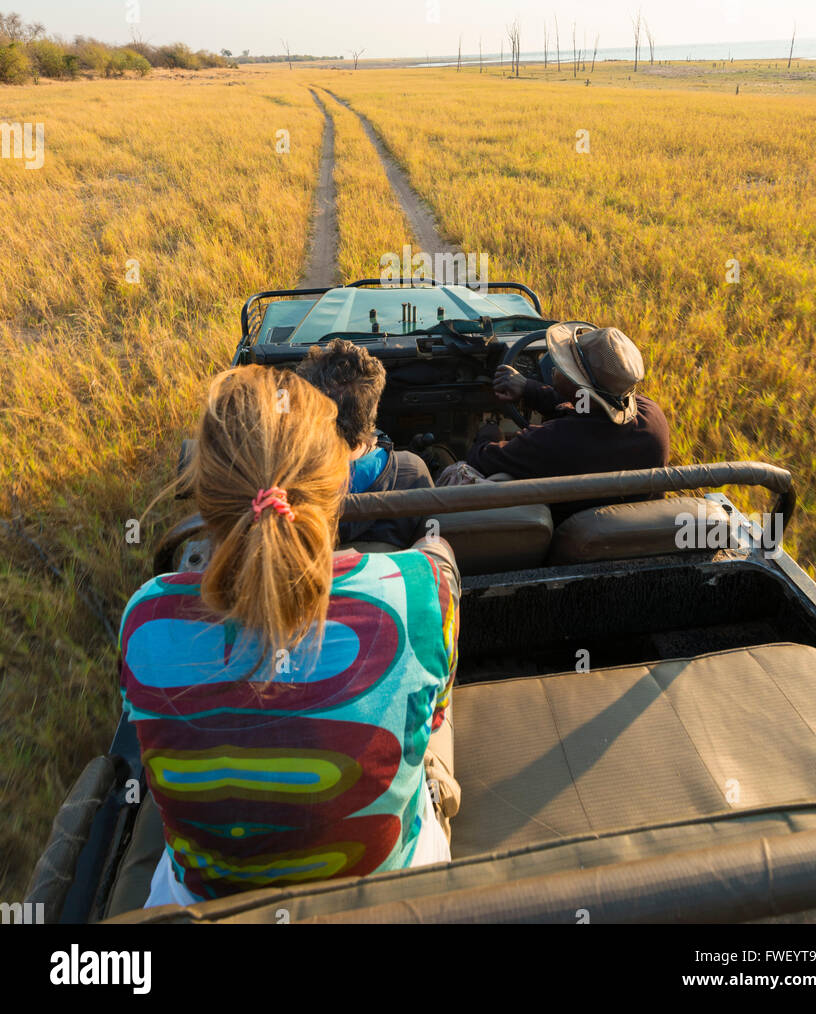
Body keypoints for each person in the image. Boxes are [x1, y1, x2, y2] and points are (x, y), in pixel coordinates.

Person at [118, 365, 459, 906]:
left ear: (204, 489)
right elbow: (433, 714)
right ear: (338, 484)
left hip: (209, 902)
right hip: (388, 893)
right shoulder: (422, 590)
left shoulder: (146, 616)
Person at [466, 323, 670, 522]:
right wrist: (530, 389)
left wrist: (489, 432)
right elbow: (587, 408)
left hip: (560, 541)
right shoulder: (652, 415)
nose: (556, 365)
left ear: (578, 386)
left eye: (565, 364)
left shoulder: (551, 442)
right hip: (627, 530)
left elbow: (481, 459)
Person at [297, 337, 434, 549]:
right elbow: (432, 540)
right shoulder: (412, 472)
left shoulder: (283, 484)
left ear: (308, 409)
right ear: (374, 406)